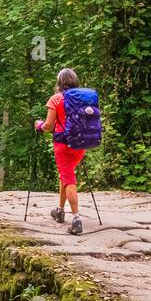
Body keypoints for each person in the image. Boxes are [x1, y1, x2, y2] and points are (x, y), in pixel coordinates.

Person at [34, 68, 87, 235]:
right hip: (80, 143)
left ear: (59, 82)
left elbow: (49, 126)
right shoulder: (83, 98)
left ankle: (77, 219)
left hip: (63, 145)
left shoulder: (56, 99)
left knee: (68, 178)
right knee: (64, 175)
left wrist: (39, 125)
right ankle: (60, 210)